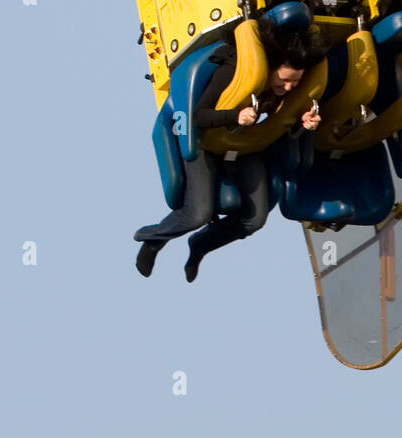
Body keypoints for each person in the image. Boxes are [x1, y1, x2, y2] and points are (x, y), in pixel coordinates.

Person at [134, 20, 325, 281]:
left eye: (296, 82)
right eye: (285, 80)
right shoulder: (234, 70)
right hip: (209, 141)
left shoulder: (288, 89)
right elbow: (199, 115)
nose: (289, 87)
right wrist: (235, 116)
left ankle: (200, 246)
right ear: (270, 67)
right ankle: (152, 239)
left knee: (255, 219)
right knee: (198, 213)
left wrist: (304, 125)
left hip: (245, 144)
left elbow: (281, 127)